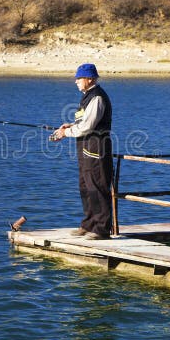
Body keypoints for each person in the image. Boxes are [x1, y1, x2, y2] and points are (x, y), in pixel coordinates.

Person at [51, 63, 113, 240]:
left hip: (97, 148)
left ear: (90, 79)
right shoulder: (87, 96)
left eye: (79, 78)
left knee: (97, 186)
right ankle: (88, 224)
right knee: (85, 186)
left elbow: (88, 126)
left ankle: (101, 230)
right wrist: (70, 125)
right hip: (85, 148)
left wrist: (66, 133)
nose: (76, 82)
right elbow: (84, 121)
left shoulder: (97, 97)